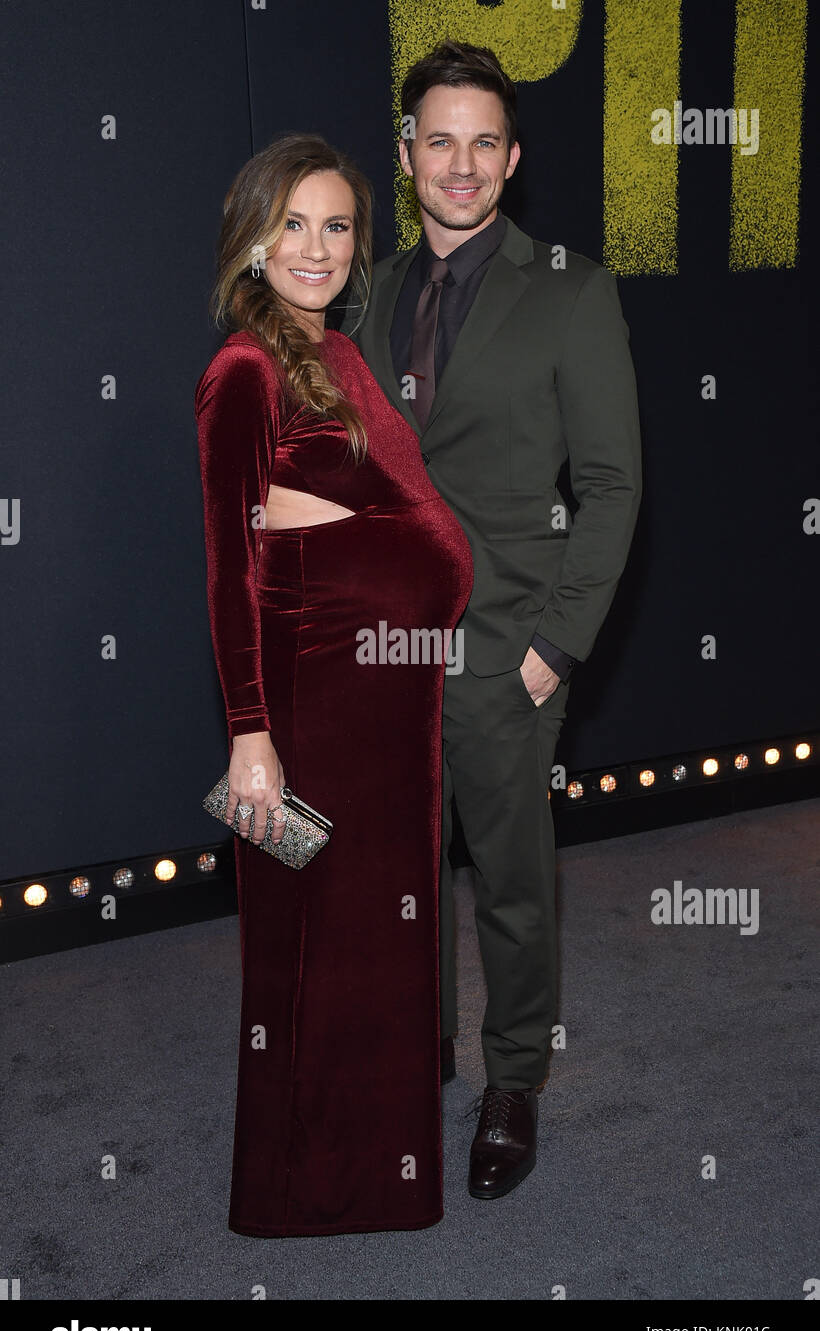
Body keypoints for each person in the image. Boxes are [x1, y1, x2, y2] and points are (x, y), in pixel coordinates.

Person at [342, 41, 642, 1199]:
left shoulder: (571, 288)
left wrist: (551, 652)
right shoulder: (365, 292)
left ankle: (512, 1078)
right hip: (383, 649)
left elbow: (612, 486)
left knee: (509, 881)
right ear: (406, 152)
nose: (458, 165)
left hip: (504, 646)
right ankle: (418, 1053)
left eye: (483, 143)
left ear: (510, 161)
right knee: (396, 873)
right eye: (438, 140)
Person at [195, 133, 473, 1236]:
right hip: (313, 711)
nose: (317, 247)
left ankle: (377, 1175)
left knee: (383, 946)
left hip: (391, 707)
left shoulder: (339, 355)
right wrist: (250, 734)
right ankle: (296, 1187)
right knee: (314, 945)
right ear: (255, 240)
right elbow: (232, 567)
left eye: (339, 225)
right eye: (295, 224)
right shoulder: (244, 370)